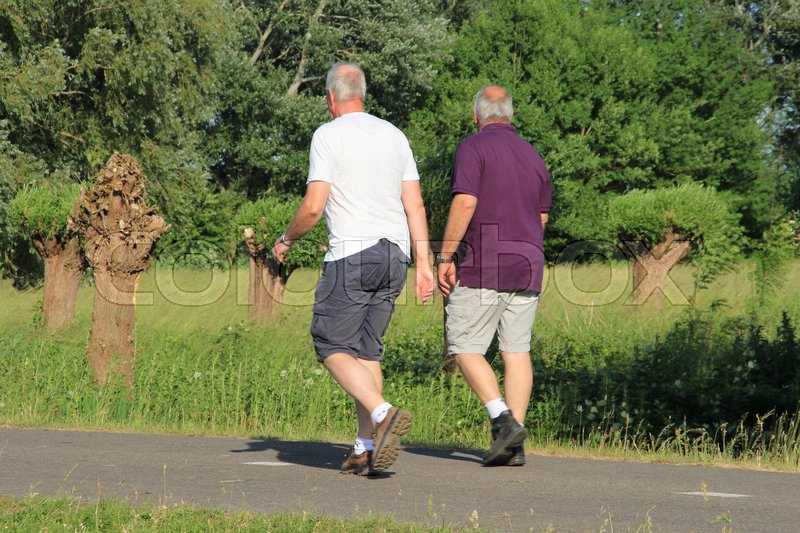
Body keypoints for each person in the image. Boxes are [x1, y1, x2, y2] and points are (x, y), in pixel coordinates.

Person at [271, 63, 434, 476]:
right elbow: (414, 204)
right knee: (365, 351)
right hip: (395, 256)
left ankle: (384, 413)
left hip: (353, 255)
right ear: (363, 93)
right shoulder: (394, 135)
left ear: (330, 97)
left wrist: (286, 239)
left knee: (329, 344)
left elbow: (313, 206)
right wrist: (425, 265)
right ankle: (365, 447)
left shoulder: (328, 135)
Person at [436, 85, 551, 466]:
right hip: (529, 263)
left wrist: (446, 254)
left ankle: (502, 421)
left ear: (476, 115)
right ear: (511, 115)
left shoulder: (474, 147)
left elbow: (466, 200)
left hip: (488, 262)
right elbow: (542, 217)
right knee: (516, 350)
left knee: (464, 343)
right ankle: (513, 446)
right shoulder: (533, 155)